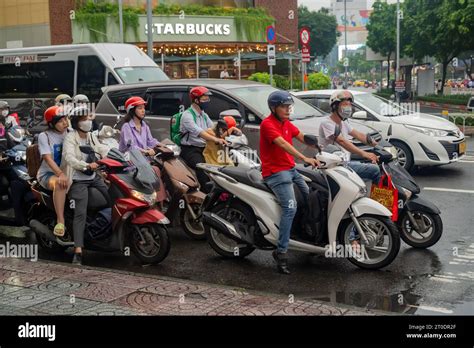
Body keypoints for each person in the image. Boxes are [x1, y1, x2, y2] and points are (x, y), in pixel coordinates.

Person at [260, 91, 320, 274]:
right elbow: (283, 144)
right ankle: (281, 251)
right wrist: (305, 158)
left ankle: (305, 236)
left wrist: (319, 147)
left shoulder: (286, 123)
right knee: (290, 207)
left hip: (291, 169)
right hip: (276, 173)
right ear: (273, 108)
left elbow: (302, 137)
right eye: (284, 106)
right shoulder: (267, 124)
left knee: (310, 196)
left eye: (289, 106)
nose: (288, 109)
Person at [318, 90, 381, 253]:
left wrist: (376, 144)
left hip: (344, 165)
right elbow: (342, 142)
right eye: (344, 104)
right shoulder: (327, 123)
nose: (348, 107)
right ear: (335, 106)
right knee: (373, 172)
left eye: (349, 104)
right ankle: (357, 231)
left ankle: (371, 216)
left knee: (373, 172)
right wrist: (364, 153)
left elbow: (358, 134)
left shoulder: (344, 122)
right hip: (333, 168)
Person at [62, 105, 111, 265]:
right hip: (77, 179)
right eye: (84, 119)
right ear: (76, 122)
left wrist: (116, 155)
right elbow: (69, 158)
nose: (88, 122)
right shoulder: (70, 137)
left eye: (89, 118)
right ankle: (78, 251)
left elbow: (101, 148)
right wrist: (86, 165)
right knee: (80, 213)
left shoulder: (90, 136)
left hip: (94, 177)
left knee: (112, 198)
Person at [118, 97, 166, 203]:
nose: (143, 110)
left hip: (143, 161)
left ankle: (159, 200)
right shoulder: (127, 127)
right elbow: (131, 147)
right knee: (155, 170)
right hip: (130, 162)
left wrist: (163, 145)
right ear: (132, 110)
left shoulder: (145, 126)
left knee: (163, 168)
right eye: (140, 108)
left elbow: (151, 141)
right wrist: (146, 152)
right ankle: (157, 201)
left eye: (144, 108)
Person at [179, 86, 227, 189]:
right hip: (190, 150)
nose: (207, 101)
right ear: (196, 100)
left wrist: (231, 131)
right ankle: (206, 194)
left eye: (207, 99)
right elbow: (200, 132)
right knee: (202, 167)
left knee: (222, 165)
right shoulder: (187, 116)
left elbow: (213, 129)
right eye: (204, 99)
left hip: (204, 148)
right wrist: (216, 139)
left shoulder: (204, 115)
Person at [36, 106, 70, 237]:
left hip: (69, 172)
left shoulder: (70, 132)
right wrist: (60, 174)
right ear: (51, 123)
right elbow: (48, 158)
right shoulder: (44, 136)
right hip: (48, 174)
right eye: (61, 121)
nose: (65, 123)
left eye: (66, 119)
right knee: (61, 184)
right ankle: (60, 220)